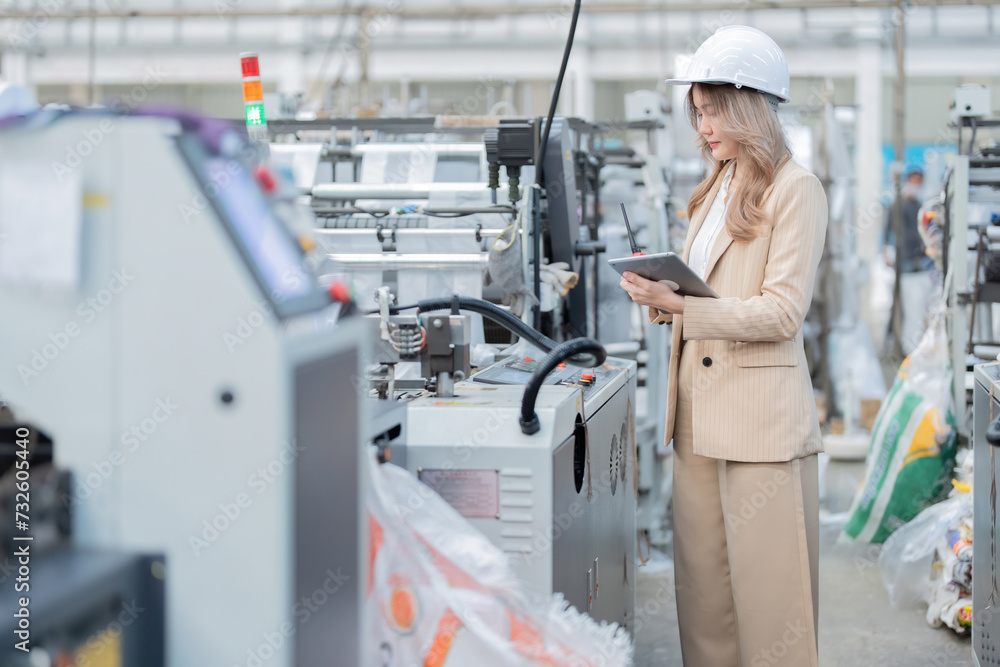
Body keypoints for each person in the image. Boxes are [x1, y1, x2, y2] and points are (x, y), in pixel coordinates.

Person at [618, 26, 827, 667]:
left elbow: (782, 313)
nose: (703, 126)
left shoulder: (796, 190)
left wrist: (683, 306)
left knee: (772, 606)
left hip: (760, 425)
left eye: (712, 111)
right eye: (699, 112)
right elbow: (712, 293)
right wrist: (660, 304)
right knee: (704, 599)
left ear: (748, 107)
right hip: (698, 420)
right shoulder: (713, 189)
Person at [884, 167, 933, 353]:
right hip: (905, 263)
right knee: (910, 310)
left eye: (919, 181)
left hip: (922, 264)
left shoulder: (921, 206)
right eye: (913, 181)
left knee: (920, 311)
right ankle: (907, 349)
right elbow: (887, 231)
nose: (916, 185)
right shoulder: (897, 205)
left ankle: (916, 348)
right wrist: (887, 252)